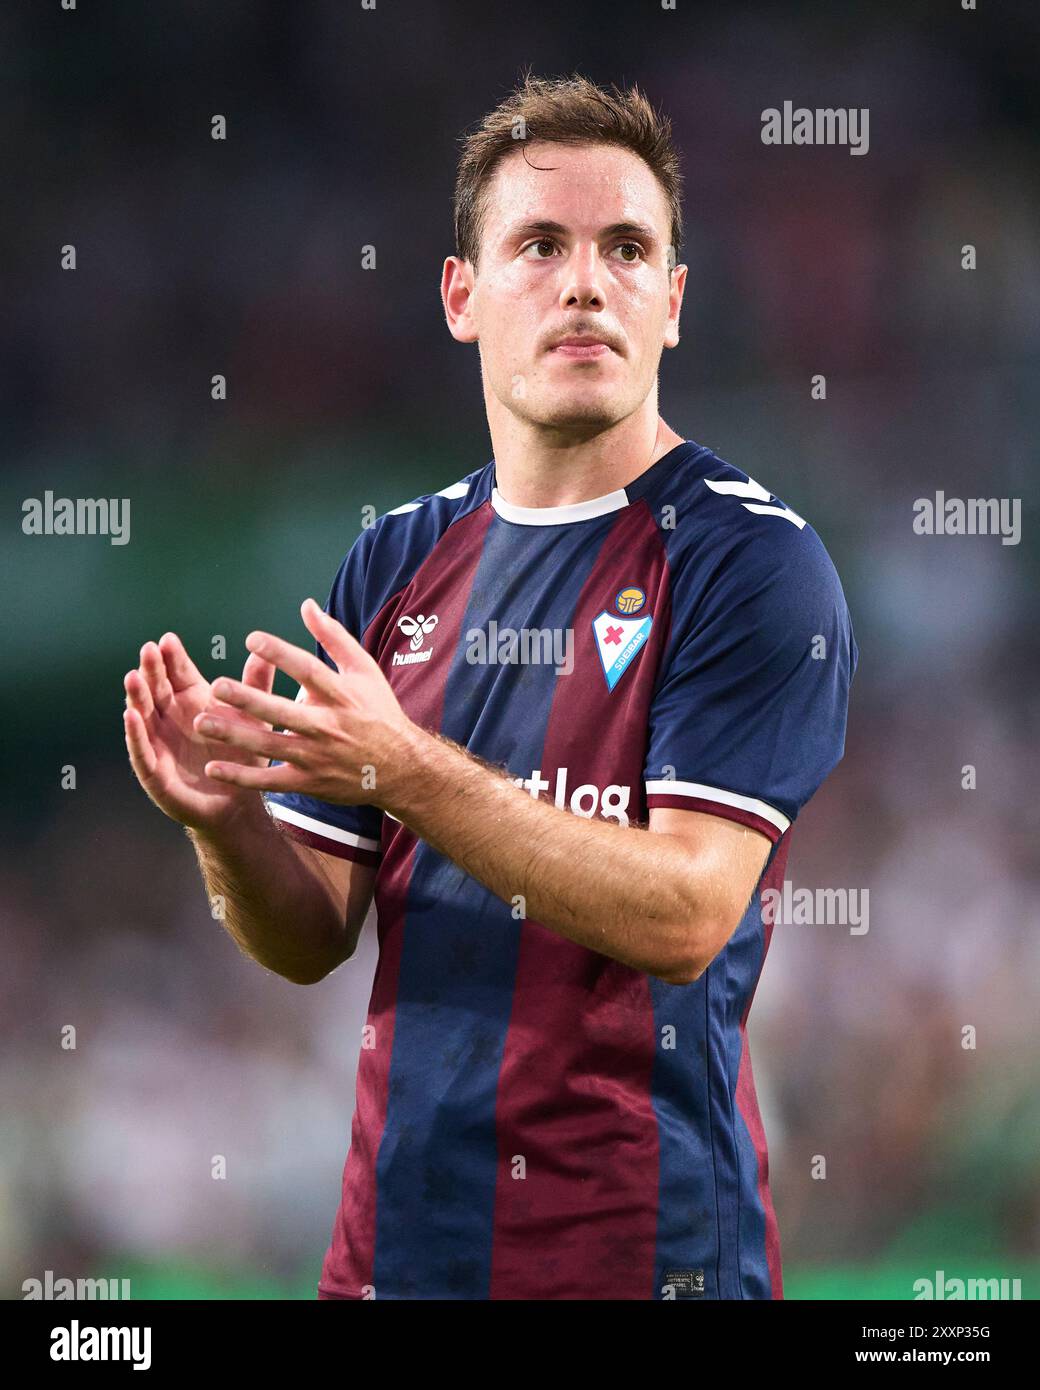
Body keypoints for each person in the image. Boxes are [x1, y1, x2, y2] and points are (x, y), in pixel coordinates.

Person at [123, 73, 857, 1300]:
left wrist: (405, 768)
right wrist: (228, 825)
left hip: (640, 1260)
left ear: (671, 304)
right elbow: (309, 935)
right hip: (392, 1261)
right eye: (539, 245)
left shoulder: (749, 561)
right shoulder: (395, 560)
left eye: (627, 249)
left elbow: (685, 915)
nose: (585, 282)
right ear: (461, 295)